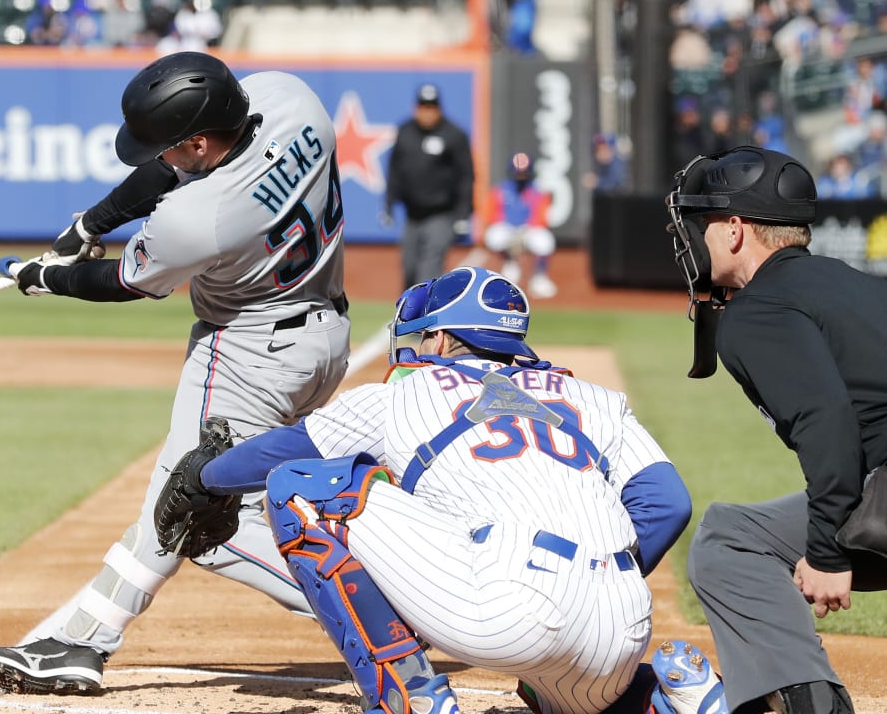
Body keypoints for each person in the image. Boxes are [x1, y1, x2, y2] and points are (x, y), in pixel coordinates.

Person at [0, 50, 351, 694]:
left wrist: (46, 278)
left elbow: (122, 281)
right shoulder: (290, 98)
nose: (161, 157)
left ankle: (381, 611)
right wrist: (90, 223)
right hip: (323, 338)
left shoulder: (199, 219)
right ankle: (72, 640)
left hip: (247, 356)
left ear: (198, 140)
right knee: (217, 506)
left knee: (199, 520)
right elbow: (169, 173)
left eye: (172, 147)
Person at [164, 265, 708, 714]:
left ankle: (405, 696)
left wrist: (202, 476)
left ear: (444, 338)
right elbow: (667, 503)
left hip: (503, 610)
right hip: (622, 624)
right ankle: (675, 695)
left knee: (299, 488)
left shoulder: (407, 393)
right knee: (561, 695)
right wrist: (595, 583)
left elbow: (284, 453)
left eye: (426, 334)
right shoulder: (593, 395)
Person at [666, 145, 887, 714]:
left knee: (731, 540)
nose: (694, 237)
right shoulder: (854, 285)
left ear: (736, 230)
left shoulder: (759, 308)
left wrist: (826, 553)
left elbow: (827, 421)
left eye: (704, 222)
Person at [384, 83, 475, 288]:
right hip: (412, 215)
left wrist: (464, 214)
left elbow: (466, 177)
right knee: (409, 268)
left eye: (431, 106)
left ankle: (427, 316)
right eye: (423, 106)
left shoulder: (454, 135)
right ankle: (408, 315)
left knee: (429, 270)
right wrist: (388, 203)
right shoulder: (405, 131)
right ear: (415, 107)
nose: (427, 112)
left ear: (439, 108)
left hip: (441, 213)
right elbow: (395, 170)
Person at [478, 152, 557, 299]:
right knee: (493, 237)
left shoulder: (538, 191)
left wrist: (523, 233)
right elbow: (490, 217)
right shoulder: (500, 190)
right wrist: (511, 233)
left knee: (546, 241)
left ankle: (539, 277)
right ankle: (510, 262)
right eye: (518, 173)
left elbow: (542, 219)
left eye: (524, 174)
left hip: (528, 230)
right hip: (507, 229)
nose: (521, 177)